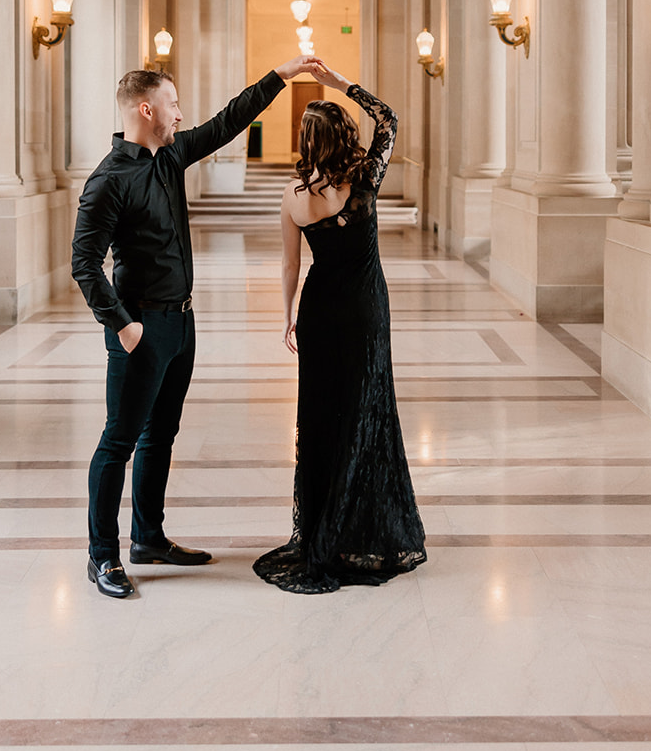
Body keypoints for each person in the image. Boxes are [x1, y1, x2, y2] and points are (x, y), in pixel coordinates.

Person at [73, 56, 321, 598]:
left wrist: (281, 76)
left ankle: (148, 537)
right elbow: (84, 264)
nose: (181, 114)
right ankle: (101, 556)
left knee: (161, 435)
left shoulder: (171, 156)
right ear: (146, 108)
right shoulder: (108, 180)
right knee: (118, 441)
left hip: (182, 324)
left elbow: (229, 120)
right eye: (173, 103)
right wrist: (123, 326)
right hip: (140, 329)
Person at [254, 63, 427, 595]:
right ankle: (364, 528)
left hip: (320, 310)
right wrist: (337, 81)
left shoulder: (292, 195)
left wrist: (286, 316)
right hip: (366, 310)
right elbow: (389, 119)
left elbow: (289, 266)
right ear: (345, 135)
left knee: (322, 418)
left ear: (305, 141)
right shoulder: (363, 180)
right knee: (368, 409)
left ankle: (324, 531)